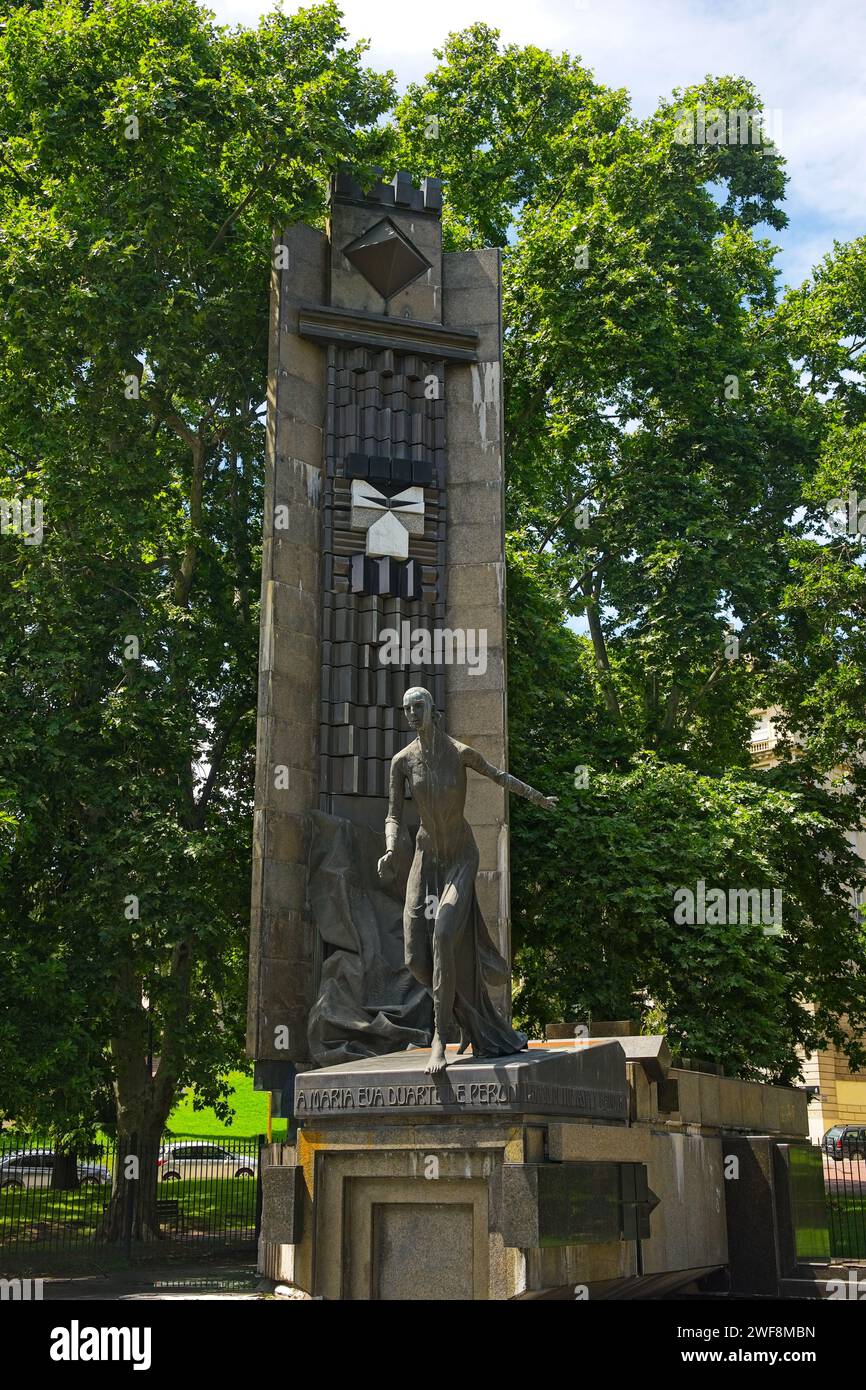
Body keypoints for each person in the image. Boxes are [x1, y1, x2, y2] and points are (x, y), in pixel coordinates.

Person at [377, 687, 557, 1074]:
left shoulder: (459, 752)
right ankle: (470, 1014)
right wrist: (392, 849)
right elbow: (393, 815)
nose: (411, 714)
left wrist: (537, 797)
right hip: (426, 858)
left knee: (442, 934)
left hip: (460, 855)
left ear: (432, 708)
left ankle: (441, 1038)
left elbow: (497, 775)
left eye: (418, 707)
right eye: (406, 709)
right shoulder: (402, 761)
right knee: (414, 955)